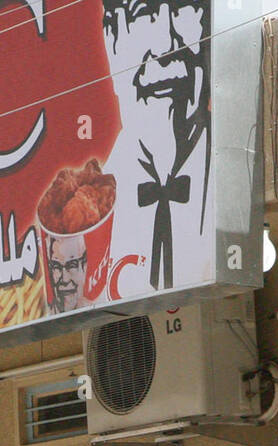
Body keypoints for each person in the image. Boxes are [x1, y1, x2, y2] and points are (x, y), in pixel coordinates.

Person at [101, 0, 211, 296]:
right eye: (143, 14)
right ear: (111, 41)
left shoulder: (238, 179)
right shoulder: (88, 221)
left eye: (181, 9)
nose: (165, 46)